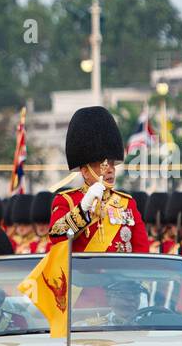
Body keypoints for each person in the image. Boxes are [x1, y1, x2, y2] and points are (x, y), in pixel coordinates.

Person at [48, 106, 149, 253]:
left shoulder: (128, 204)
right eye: (103, 165)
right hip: (82, 275)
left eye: (112, 163)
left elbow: (142, 252)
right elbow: (56, 236)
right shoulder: (67, 201)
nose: (110, 169)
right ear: (85, 172)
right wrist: (83, 209)